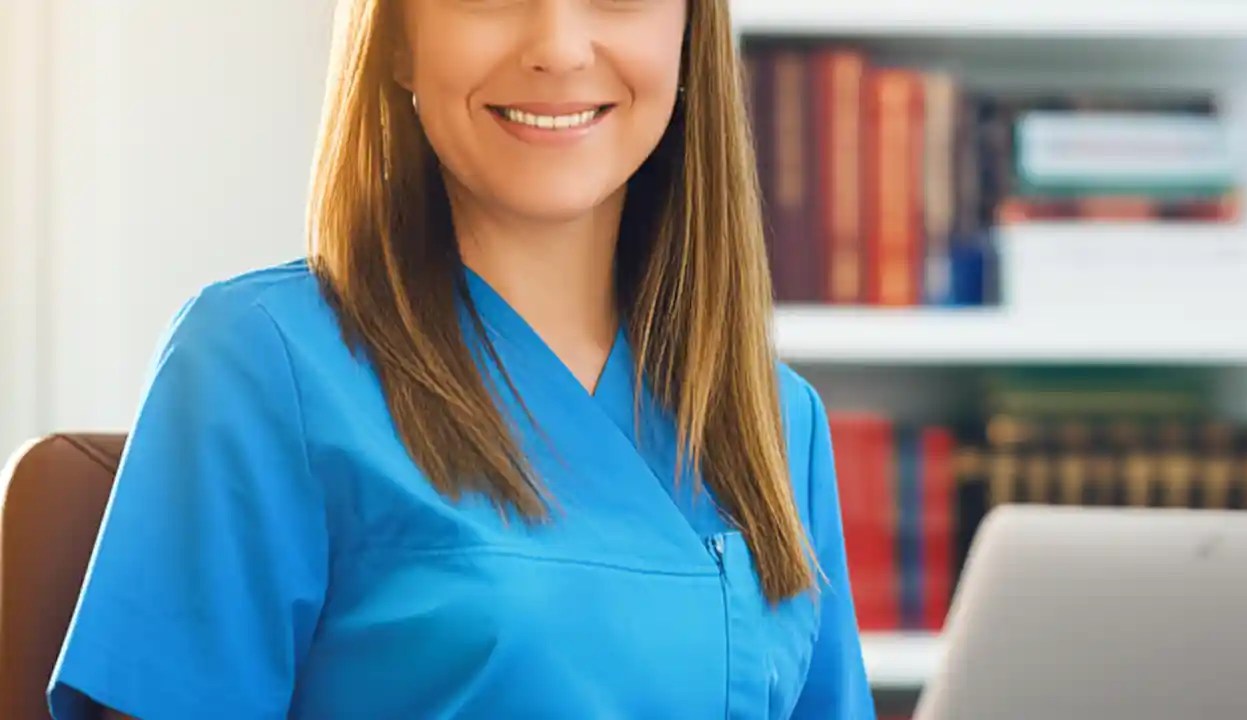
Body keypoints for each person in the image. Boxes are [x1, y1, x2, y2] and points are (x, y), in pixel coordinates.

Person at [47, 0, 875, 717]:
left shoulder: (775, 419)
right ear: (400, 38)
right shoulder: (256, 365)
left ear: (690, 34)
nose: (558, 45)